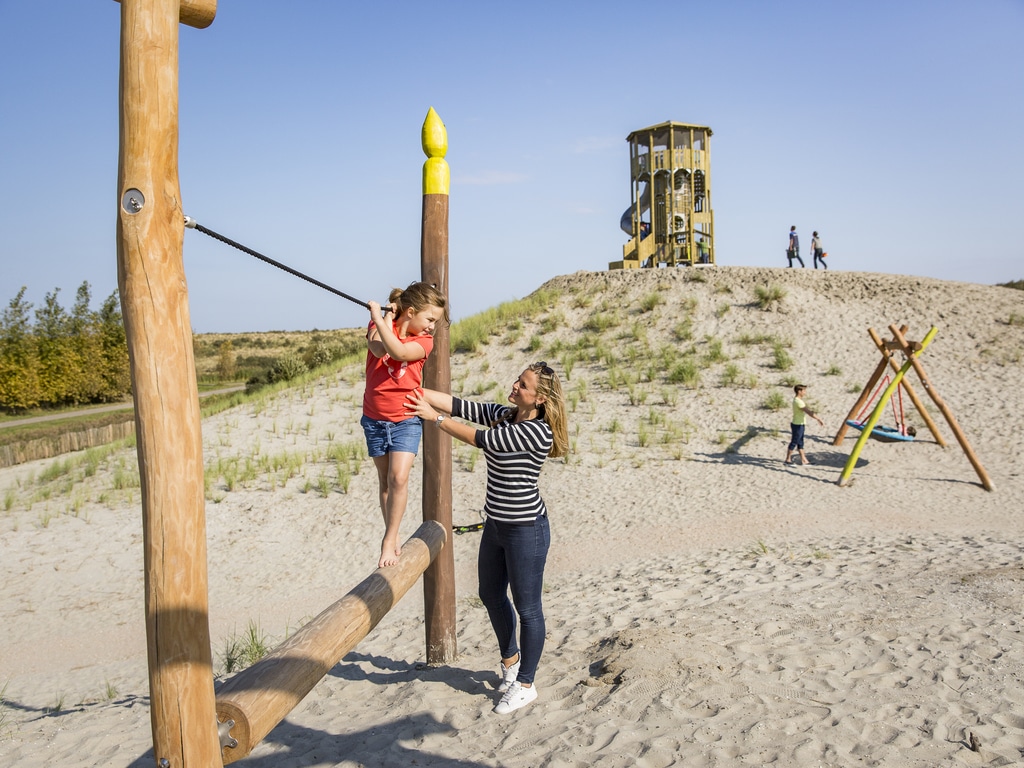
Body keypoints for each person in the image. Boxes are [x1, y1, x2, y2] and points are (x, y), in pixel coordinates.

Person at [405, 362, 569, 715]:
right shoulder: (506, 415)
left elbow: (481, 439)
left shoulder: (536, 432)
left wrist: (432, 418)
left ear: (539, 398)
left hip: (526, 529)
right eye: (517, 379)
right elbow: (460, 405)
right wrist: (412, 387)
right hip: (496, 524)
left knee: (528, 608)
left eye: (522, 384)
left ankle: (526, 684)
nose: (514, 385)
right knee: (490, 593)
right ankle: (510, 665)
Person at [363, 281, 448, 568]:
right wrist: (384, 318)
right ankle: (393, 531)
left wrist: (380, 317)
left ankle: (388, 540)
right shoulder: (379, 326)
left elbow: (398, 352)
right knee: (385, 480)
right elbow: (378, 348)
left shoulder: (424, 342)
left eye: (435, 321)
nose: (432, 326)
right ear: (410, 312)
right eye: (430, 319)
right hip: (374, 419)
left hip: (405, 419)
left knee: (398, 478)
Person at [784, 384, 824, 465]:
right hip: (797, 424)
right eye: (804, 391)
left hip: (800, 424)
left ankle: (804, 460)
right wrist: (818, 419)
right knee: (794, 441)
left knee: (800, 442)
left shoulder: (798, 401)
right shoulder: (798, 401)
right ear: (799, 391)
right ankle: (787, 460)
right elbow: (808, 412)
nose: (805, 392)